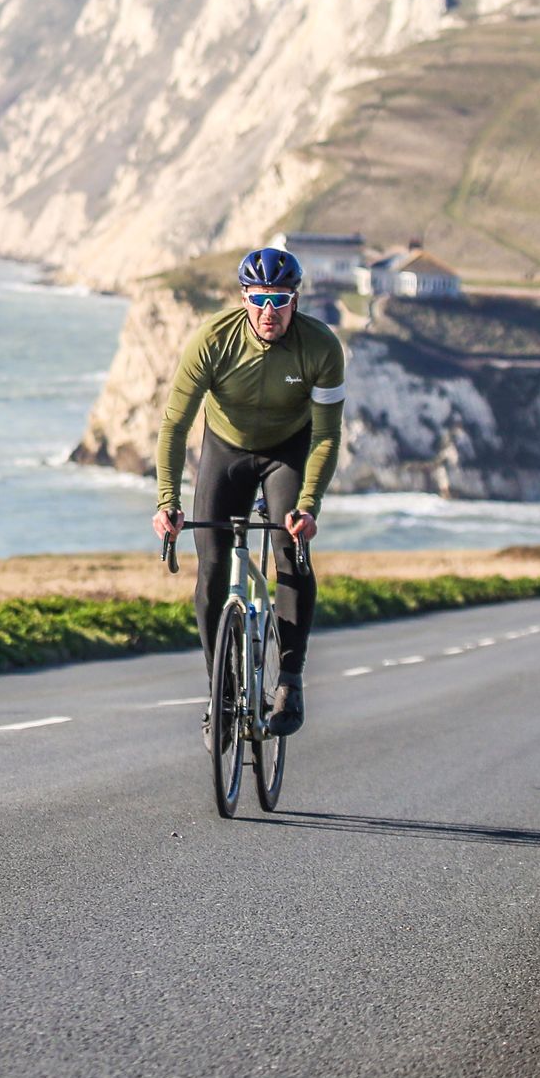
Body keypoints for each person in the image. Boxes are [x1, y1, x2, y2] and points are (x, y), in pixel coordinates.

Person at [152, 246, 345, 737]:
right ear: (244, 298)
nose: (268, 311)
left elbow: (325, 436)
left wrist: (307, 506)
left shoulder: (320, 347)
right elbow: (175, 424)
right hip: (226, 450)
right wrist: (167, 501)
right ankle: (221, 691)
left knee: (290, 548)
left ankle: (291, 682)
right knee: (213, 565)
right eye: (259, 299)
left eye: (280, 300)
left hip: (288, 451)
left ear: (295, 301)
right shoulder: (213, 339)